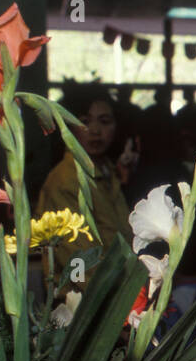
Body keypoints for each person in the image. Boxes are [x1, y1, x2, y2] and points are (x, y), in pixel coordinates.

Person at [36, 83, 135, 278]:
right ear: (68, 126)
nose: (95, 130)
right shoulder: (65, 181)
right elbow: (79, 263)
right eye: (84, 121)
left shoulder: (108, 171)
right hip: (86, 302)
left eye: (105, 121)